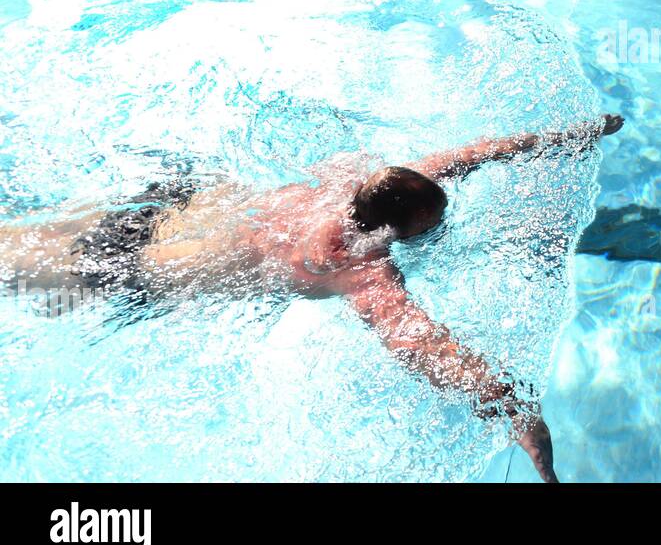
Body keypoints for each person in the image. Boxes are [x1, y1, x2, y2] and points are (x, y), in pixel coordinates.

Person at [0, 113, 626, 482]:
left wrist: (566, 135)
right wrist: (515, 408)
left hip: (168, 206)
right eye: (427, 227)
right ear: (388, 232)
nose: (438, 228)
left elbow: (466, 156)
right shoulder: (360, 268)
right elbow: (423, 346)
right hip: (136, 270)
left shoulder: (354, 185)